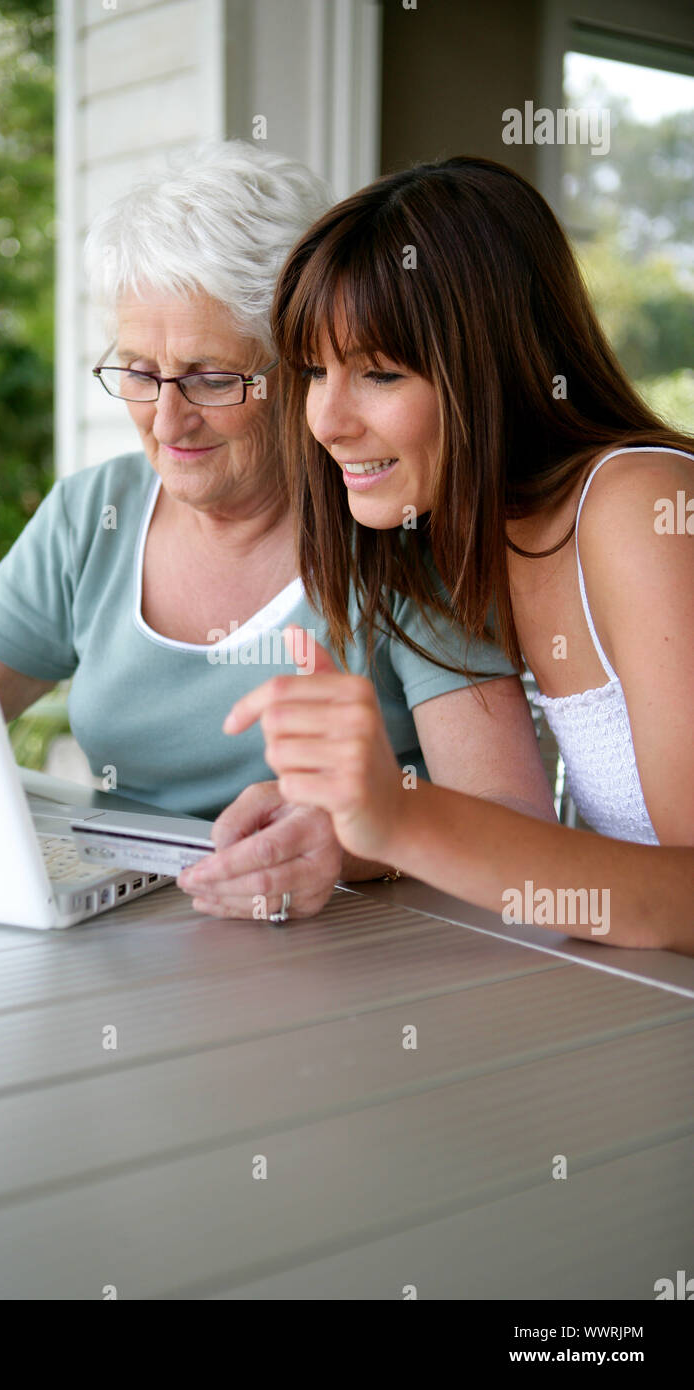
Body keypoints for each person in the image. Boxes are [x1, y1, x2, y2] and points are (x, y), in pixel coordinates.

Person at [0, 143, 554, 923]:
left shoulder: (399, 527)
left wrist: (354, 841)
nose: (167, 419)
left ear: (305, 365)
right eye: (140, 372)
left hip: (359, 948)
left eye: (213, 378)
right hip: (127, 938)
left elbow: (512, 812)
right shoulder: (92, 516)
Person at [208, 155, 694, 951]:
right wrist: (348, 830)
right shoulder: (464, 537)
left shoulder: (640, 508)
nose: (326, 421)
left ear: (493, 368)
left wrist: (403, 816)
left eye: (381, 374)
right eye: (313, 372)